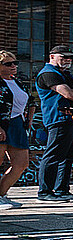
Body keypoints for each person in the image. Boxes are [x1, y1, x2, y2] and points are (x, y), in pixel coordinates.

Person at [34, 45, 73, 202]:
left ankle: (62, 189)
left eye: (69, 58)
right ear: (52, 57)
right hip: (58, 119)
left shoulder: (65, 75)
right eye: (63, 57)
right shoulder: (49, 74)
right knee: (53, 155)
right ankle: (45, 191)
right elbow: (69, 94)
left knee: (67, 156)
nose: (67, 61)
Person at [0, 52, 31, 208]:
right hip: (2, 124)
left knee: (21, 163)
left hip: (17, 124)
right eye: (8, 64)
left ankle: (1, 194)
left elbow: (30, 101)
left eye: (15, 63)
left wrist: (28, 121)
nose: (14, 66)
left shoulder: (17, 82)